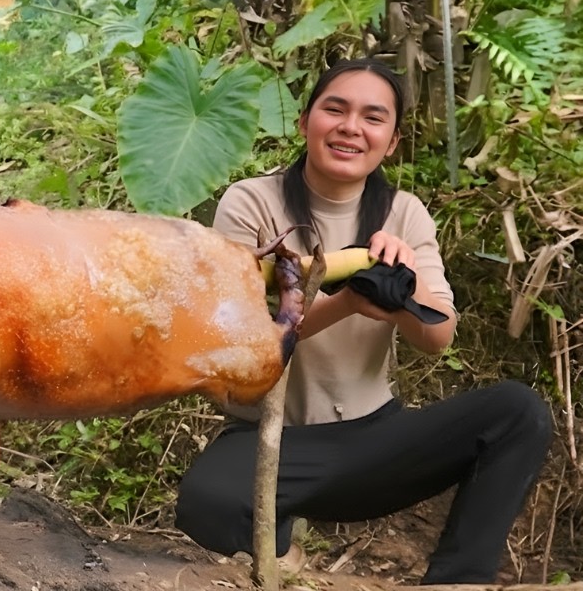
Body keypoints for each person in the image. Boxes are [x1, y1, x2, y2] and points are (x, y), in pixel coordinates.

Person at [173, 58, 551, 585]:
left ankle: (459, 579)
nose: (352, 127)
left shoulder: (405, 212)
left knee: (518, 410)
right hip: (272, 444)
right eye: (335, 109)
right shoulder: (252, 203)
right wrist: (346, 300)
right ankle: (279, 548)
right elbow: (242, 340)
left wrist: (405, 284)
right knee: (204, 502)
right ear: (305, 122)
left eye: (373, 118)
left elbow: (437, 338)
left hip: (373, 441)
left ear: (391, 142)